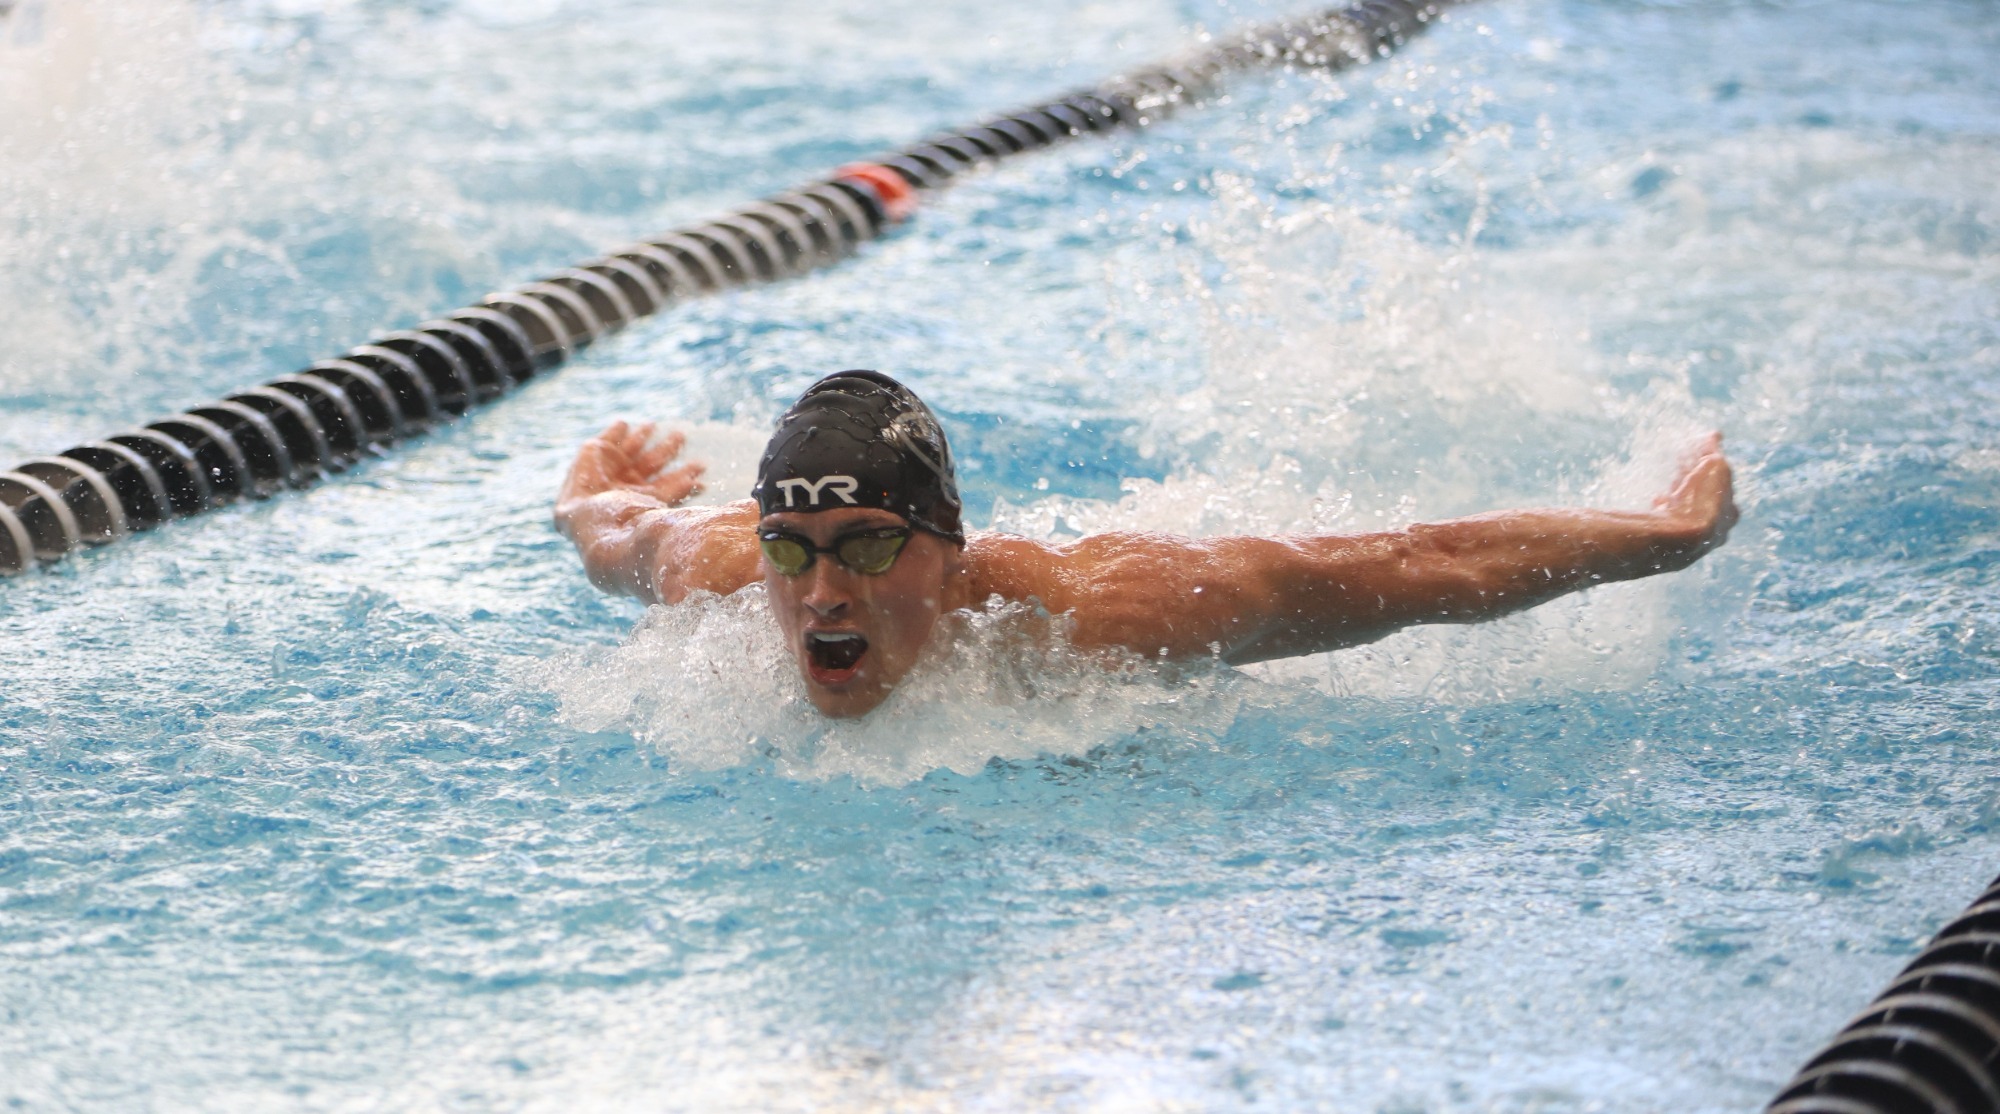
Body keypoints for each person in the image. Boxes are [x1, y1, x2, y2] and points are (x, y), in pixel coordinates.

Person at [555, 370, 1737, 718]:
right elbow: (624, 531)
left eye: (866, 546)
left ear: (948, 552)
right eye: (790, 546)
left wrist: (1663, 534)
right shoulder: (719, 575)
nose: (817, 590)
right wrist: (582, 500)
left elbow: (1414, 564)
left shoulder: (1095, 614)